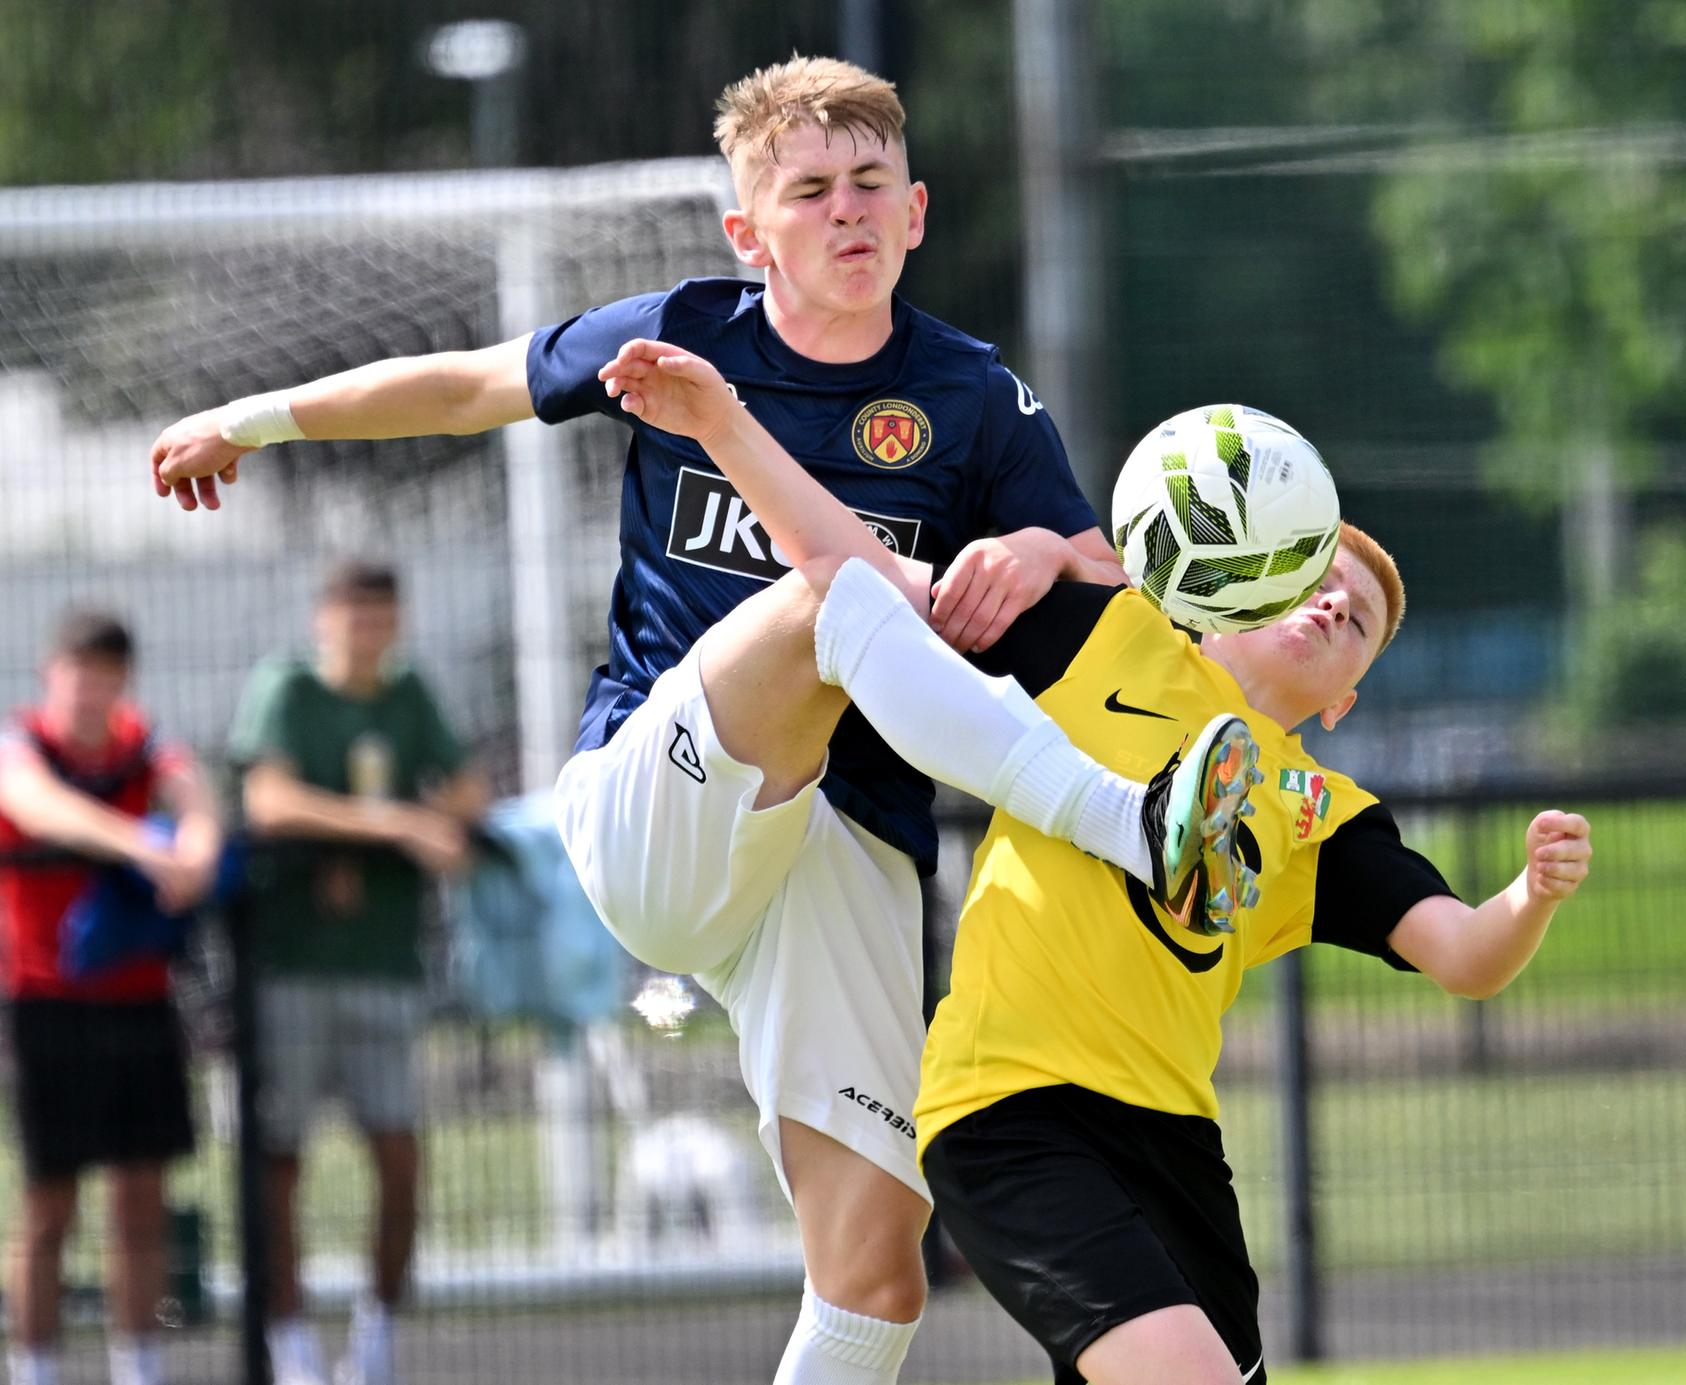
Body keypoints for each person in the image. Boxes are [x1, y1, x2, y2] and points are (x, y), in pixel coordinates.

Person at [151, 55, 1145, 1385]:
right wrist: (251, 418)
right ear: (750, 232)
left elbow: (1110, 582)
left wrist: (1038, 551)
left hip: (842, 844)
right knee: (823, 600)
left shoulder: (972, 396)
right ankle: (1115, 820)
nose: (847, 211)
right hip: (654, 805)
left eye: (872, 184)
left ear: (916, 211)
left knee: (876, 1269)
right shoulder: (685, 333)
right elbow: (465, 387)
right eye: (810, 191)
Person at [594, 339, 1595, 1385]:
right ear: (1232, 581)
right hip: (1012, 1108)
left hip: (1174, 1150)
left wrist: (1529, 891)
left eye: (1363, 622)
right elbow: (859, 577)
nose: (1339, 602)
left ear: (1342, 703)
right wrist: (722, 426)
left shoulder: (1322, 814)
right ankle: (1131, 815)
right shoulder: (1100, 637)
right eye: (1318, 574)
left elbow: (1466, 955)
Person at [226, 562, 486, 1385]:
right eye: (352, 616)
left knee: (402, 1156)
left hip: (387, 963)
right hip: (289, 965)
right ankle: (289, 1341)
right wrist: (391, 826)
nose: (366, 633)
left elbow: (472, 793)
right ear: (322, 618)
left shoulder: (412, 693)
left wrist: (408, 827)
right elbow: (268, 800)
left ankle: (374, 1339)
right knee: (277, 1158)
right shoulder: (285, 687)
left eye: (381, 618)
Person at [0, 612, 224, 1385]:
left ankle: (140, 1368)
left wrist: (196, 845)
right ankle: (34, 1368)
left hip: (139, 1002)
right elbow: (34, 806)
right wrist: (144, 844)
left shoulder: (145, 742)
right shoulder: (19, 744)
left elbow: (198, 802)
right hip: (46, 1001)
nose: (91, 689)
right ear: (48, 674)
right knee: (48, 1204)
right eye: (78, 671)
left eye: (107, 673)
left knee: (140, 1200)